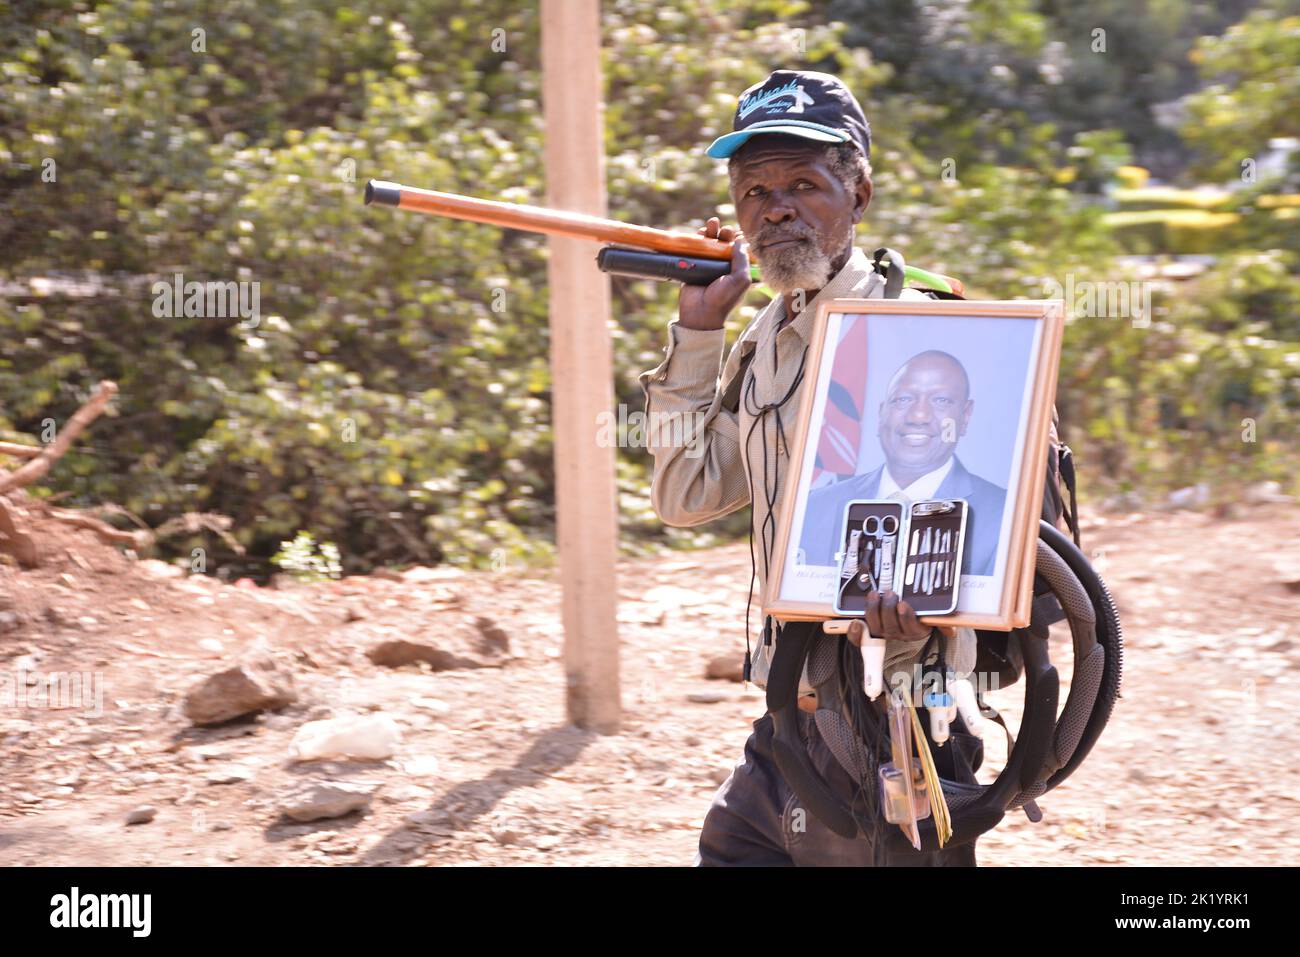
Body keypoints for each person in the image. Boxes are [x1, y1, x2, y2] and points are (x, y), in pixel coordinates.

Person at [638, 70, 980, 866]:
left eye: (803, 183)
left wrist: (932, 602)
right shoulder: (764, 335)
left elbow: (974, 528)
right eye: (753, 190)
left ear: (857, 194)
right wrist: (697, 334)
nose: (775, 208)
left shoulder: (918, 330)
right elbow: (687, 497)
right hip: (792, 701)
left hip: (897, 711)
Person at [799, 350, 1008, 575]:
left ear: (965, 417)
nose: (918, 416)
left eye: (941, 401)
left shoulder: (1004, 516)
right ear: (881, 414)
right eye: (903, 399)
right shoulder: (815, 507)